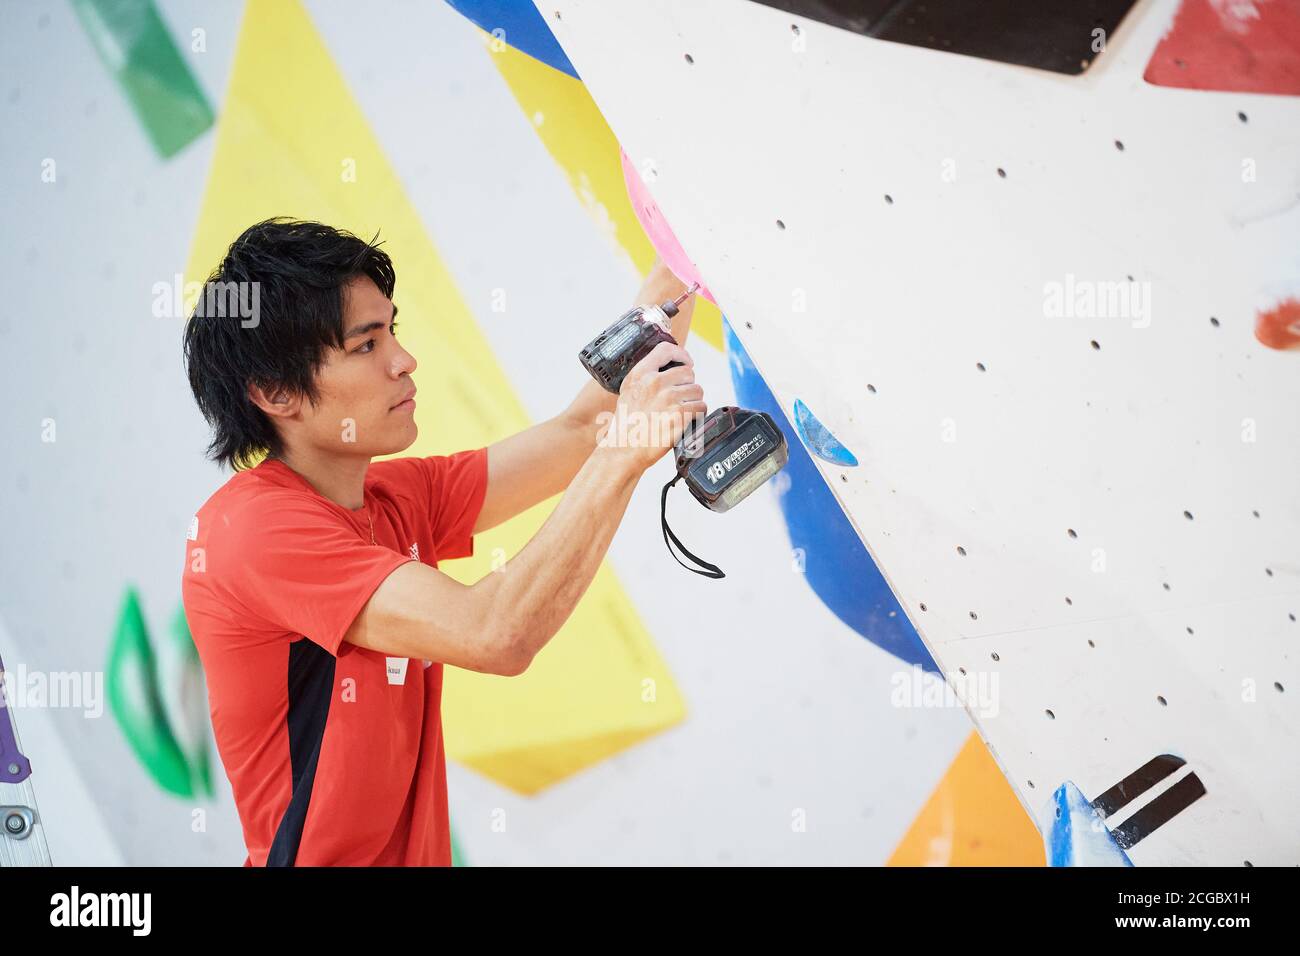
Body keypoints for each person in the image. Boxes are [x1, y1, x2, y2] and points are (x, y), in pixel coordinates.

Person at [180, 218, 703, 865]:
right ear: (276, 393)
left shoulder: (393, 498)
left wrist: (683, 258)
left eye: (391, 331)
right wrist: (626, 450)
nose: (404, 360)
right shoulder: (252, 532)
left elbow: (585, 430)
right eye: (366, 345)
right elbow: (494, 633)